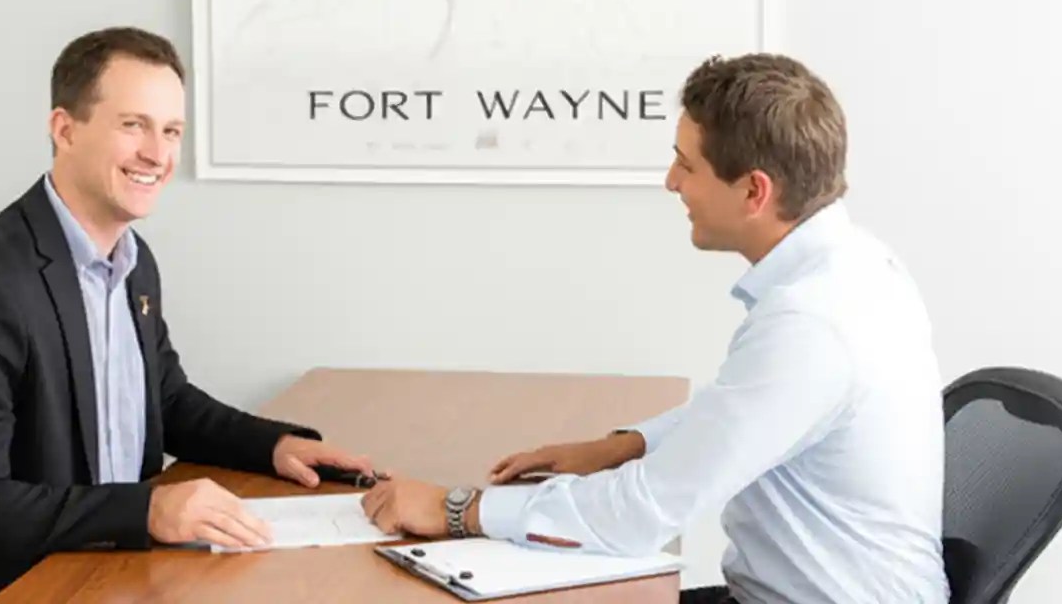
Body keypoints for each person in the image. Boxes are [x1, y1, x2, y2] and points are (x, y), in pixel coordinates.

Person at [360, 54, 949, 603]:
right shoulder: (856, 267)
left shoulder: (813, 325)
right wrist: (623, 447)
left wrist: (455, 508)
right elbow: (737, 411)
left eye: (686, 165)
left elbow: (641, 513)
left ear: (754, 191)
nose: (672, 181)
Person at [0, 26, 375, 602]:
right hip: (23, 588)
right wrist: (146, 510)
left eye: (171, 131)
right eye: (134, 125)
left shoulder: (132, 260)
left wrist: (273, 446)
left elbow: (165, 400)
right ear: (64, 130)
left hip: (115, 574)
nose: (158, 154)